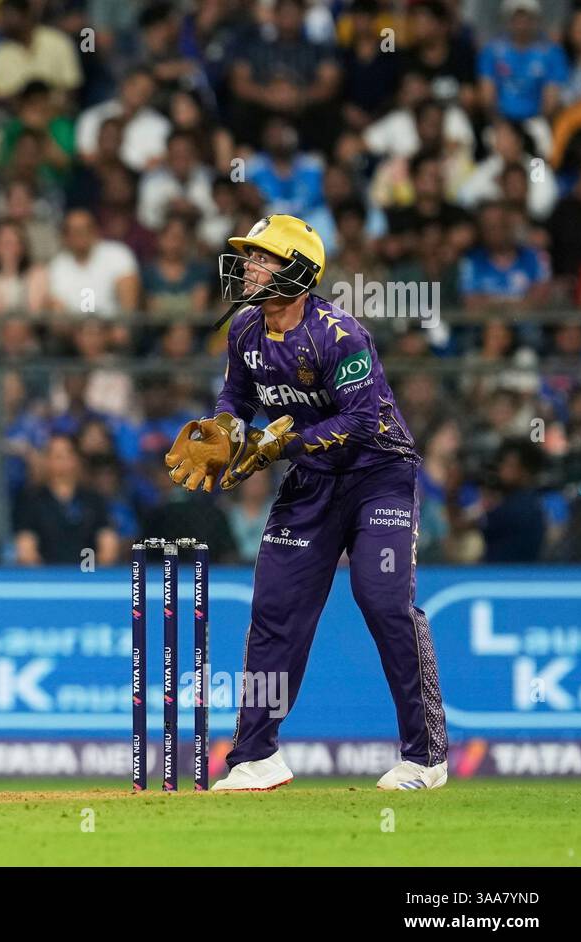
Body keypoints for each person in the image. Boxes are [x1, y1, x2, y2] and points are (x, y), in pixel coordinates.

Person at [163, 214, 448, 792]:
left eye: (262, 258)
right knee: (274, 607)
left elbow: (363, 420)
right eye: (248, 256)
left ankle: (426, 755)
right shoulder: (245, 330)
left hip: (379, 474)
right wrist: (227, 427)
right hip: (310, 482)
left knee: (382, 599)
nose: (247, 267)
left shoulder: (340, 336)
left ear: (296, 271)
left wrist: (278, 444)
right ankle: (257, 755)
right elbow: (236, 397)